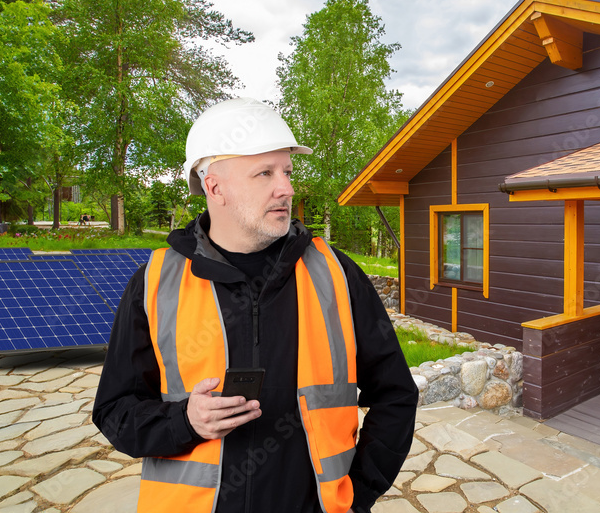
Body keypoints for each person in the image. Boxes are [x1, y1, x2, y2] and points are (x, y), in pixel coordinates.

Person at [92, 97, 418, 512]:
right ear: (214, 187)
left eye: (287, 172)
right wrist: (184, 421)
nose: (286, 188)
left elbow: (396, 395)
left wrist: (356, 495)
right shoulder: (155, 283)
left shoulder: (335, 274)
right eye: (265, 173)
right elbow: (115, 412)